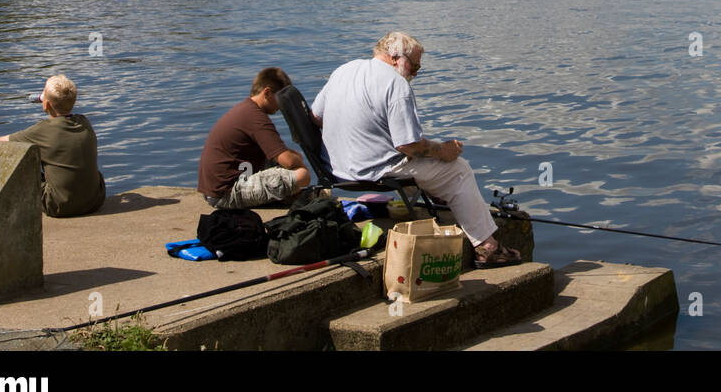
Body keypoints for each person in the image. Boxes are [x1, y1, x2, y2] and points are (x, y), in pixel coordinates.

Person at [311, 33, 521, 267]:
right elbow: (407, 145)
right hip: (374, 171)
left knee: (425, 157)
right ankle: (487, 248)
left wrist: (362, 133)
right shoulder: (395, 84)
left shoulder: (345, 70)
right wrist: (443, 151)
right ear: (394, 58)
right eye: (415, 65)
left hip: (337, 168)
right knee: (458, 169)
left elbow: (317, 117)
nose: (416, 73)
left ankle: (438, 195)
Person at [198, 68, 310, 209]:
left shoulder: (246, 110)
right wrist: (299, 160)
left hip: (214, 190)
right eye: (280, 100)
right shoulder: (257, 119)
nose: (282, 106)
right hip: (225, 194)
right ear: (267, 93)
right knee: (302, 175)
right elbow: (288, 161)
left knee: (286, 164)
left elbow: (279, 155)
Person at [0, 74, 105, 218]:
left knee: (19, 156)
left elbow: (0, 143)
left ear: (46, 104)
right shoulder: (84, 122)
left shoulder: (43, 130)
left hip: (59, 206)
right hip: (95, 201)